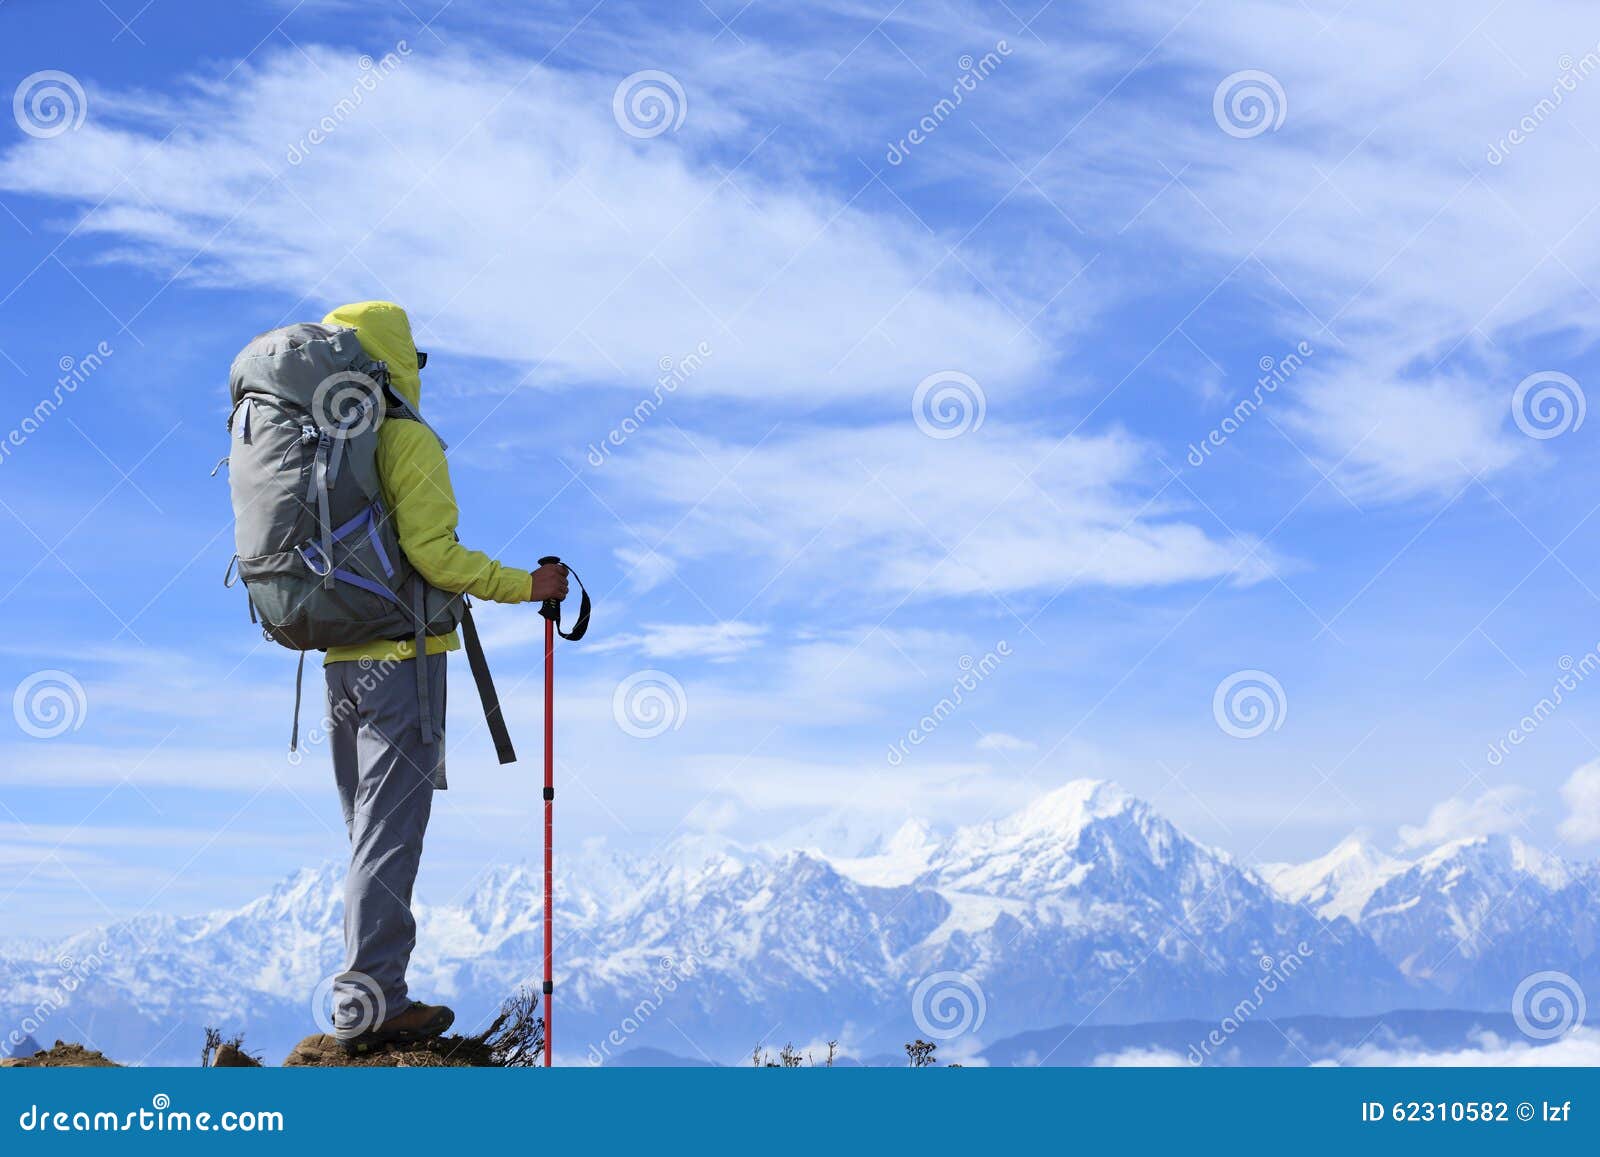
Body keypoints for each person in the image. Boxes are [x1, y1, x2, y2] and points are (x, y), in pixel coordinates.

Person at [317, 301, 567, 1053]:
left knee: (368, 832)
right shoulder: (405, 438)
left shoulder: (324, 440)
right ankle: (371, 1004)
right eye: (414, 358)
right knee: (390, 835)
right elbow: (435, 555)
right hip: (403, 662)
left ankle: (368, 995)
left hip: (338, 661)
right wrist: (528, 585)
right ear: (395, 359)